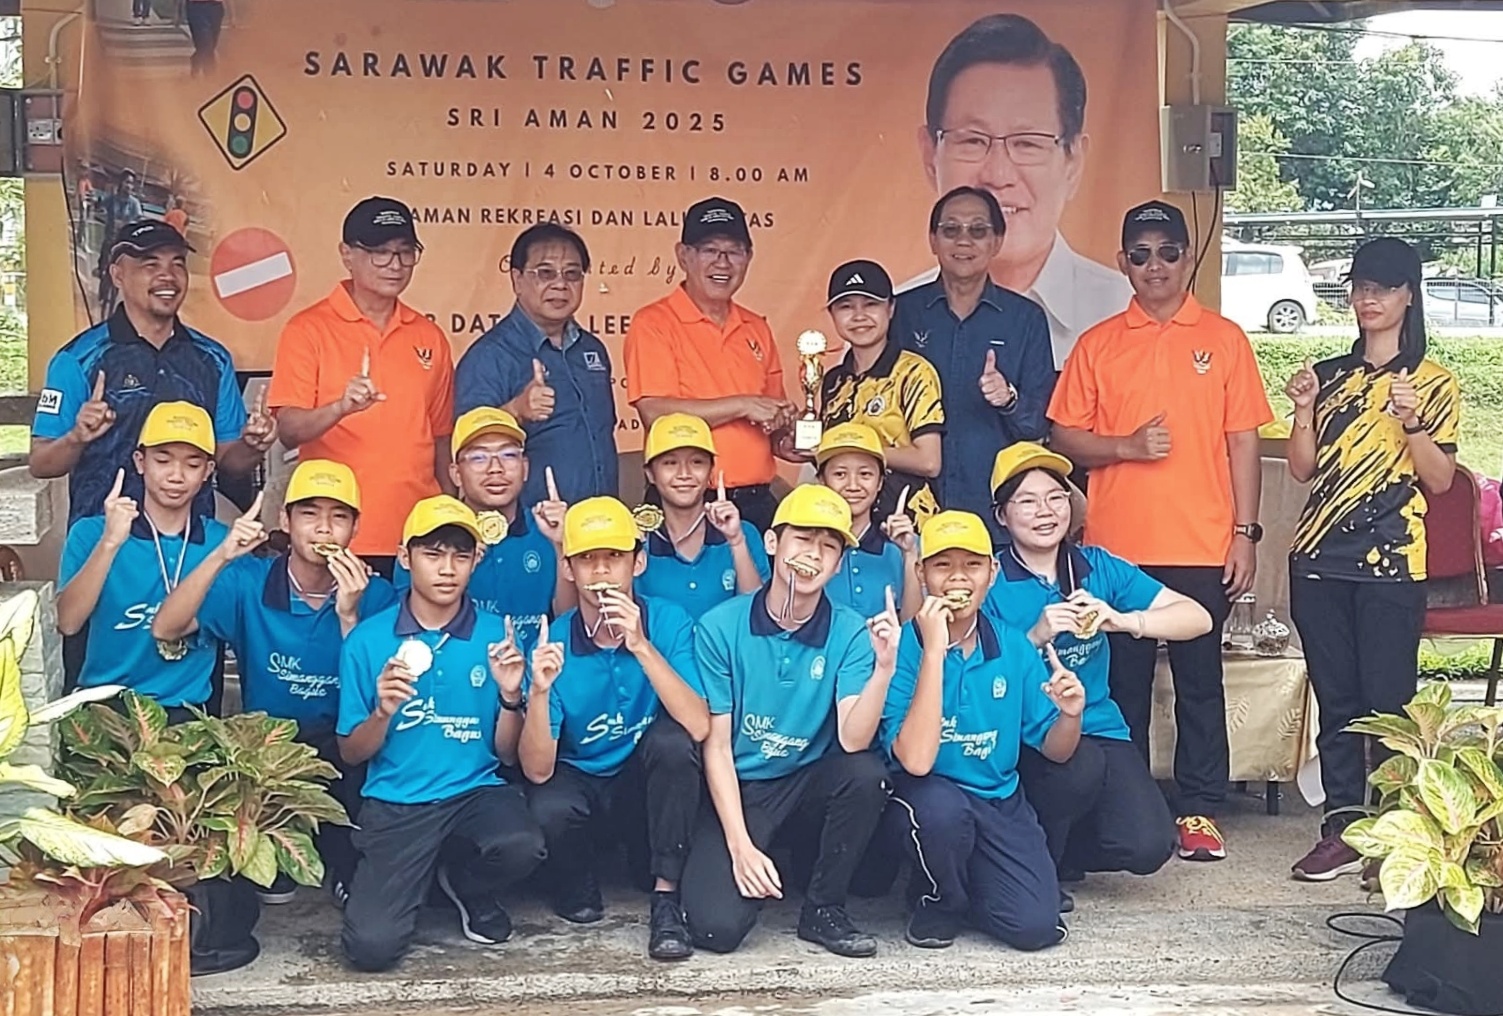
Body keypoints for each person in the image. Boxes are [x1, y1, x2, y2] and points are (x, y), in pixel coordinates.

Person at [1048, 200, 1273, 862]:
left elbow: (1242, 443)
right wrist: (1124, 446)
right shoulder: (1097, 343)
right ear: (1122, 263)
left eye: (1167, 251)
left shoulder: (1225, 338)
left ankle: (1200, 808)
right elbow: (1063, 437)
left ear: (1187, 258)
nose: (1154, 265)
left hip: (1202, 541)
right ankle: (1129, 801)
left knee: (1201, 681)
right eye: (1139, 253)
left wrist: (1245, 533)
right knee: (1121, 685)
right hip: (1114, 550)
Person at [1283, 238, 1460, 882]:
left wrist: (1412, 423)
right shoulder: (1331, 374)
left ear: (1409, 295)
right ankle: (1341, 827)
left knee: (1389, 702)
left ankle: (1394, 829)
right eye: (1360, 286)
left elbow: (1440, 481)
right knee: (1337, 699)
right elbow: (1302, 469)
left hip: (1391, 562)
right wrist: (1303, 411)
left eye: (1382, 287)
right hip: (1319, 557)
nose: (1368, 299)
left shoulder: (1433, 381)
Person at [152, 458, 398, 903]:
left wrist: (348, 616)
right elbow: (166, 628)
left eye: (338, 516)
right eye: (309, 514)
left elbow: (375, 699)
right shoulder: (250, 581)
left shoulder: (377, 594)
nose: (323, 529)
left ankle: (346, 861)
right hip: (267, 747)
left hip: (343, 743)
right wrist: (223, 553)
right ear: (285, 521)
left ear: (355, 529)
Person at [680, 484, 899, 957]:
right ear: (773, 544)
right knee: (716, 929)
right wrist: (739, 846)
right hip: (742, 784)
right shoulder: (721, 626)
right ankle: (751, 856)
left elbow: (853, 739)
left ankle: (823, 908)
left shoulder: (850, 629)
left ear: (839, 563)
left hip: (805, 781)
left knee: (865, 774)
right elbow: (715, 746)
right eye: (802, 539)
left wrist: (883, 668)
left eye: (828, 546)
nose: (813, 555)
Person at [983, 444, 1209, 901]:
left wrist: (1125, 621)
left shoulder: (1096, 566)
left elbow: (1198, 617)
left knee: (1148, 846)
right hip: (1020, 733)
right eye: (1027, 501)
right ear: (1002, 516)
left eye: (1056, 497)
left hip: (1098, 725)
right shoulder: (988, 576)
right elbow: (972, 675)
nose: (1045, 511)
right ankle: (1030, 854)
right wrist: (1035, 636)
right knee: (1075, 770)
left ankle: (1055, 850)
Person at [336, 496, 547, 971]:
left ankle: (463, 883)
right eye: (432, 553)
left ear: (476, 561)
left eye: (460, 555)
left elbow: (508, 757)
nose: (447, 568)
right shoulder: (368, 640)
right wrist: (383, 711)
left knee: (522, 844)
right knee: (371, 948)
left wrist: (513, 696)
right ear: (405, 557)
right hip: (397, 800)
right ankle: (417, 878)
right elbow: (351, 752)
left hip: (474, 792)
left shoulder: (499, 635)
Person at [880, 509, 1084, 951]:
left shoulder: (1012, 643)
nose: (958, 579)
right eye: (942, 565)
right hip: (926, 794)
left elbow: (1057, 751)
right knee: (940, 813)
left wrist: (1070, 714)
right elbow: (915, 762)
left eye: (972, 565)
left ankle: (970, 887)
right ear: (921, 572)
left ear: (991, 572)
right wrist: (934, 653)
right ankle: (938, 899)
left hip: (997, 798)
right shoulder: (901, 646)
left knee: (1035, 928)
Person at [520, 497, 708, 961]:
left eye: (614, 558)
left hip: (640, 789)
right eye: (587, 560)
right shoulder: (554, 639)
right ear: (568, 569)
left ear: (638, 561)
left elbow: (699, 724)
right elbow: (538, 771)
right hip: (582, 780)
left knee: (673, 744)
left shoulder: (667, 619)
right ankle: (577, 878)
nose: (602, 573)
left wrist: (641, 645)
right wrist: (540, 692)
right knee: (549, 804)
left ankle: (666, 896)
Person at [909, 12, 1131, 367]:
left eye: (1027, 143)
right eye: (972, 140)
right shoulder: (891, 314)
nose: (998, 175)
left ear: (1073, 160)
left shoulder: (1124, 306)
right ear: (930, 154)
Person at [32, 220, 273, 526]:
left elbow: (228, 463)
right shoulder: (78, 359)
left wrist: (253, 446)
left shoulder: (213, 359)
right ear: (118, 274)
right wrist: (77, 437)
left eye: (177, 264)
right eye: (150, 264)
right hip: (102, 547)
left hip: (189, 547)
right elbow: (41, 463)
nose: (167, 276)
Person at [268, 197, 454, 577]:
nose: (395, 264)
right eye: (380, 252)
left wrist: (448, 518)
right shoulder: (308, 330)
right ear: (346, 254)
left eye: (405, 252)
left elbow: (440, 441)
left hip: (418, 539)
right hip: (336, 539)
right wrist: (340, 408)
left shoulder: (429, 336)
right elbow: (288, 430)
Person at [625, 197, 795, 531]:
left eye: (733, 251)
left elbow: (770, 420)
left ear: (748, 257)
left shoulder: (756, 327)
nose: (723, 262)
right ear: (683, 255)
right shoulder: (654, 323)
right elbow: (655, 413)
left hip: (756, 503)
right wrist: (744, 405)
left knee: (765, 584)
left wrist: (788, 440)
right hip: (687, 503)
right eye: (709, 250)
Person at [893, 187, 1055, 537]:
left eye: (978, 230)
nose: (963, 241)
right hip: (910, 510)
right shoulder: (900, 313)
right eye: (951, 230)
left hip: (995, 509)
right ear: (933, 240)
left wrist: (1008, 398)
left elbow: (1040, 425)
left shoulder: (1024, 319)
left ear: (997, 241)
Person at [55, 402, 230, 721]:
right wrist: (110, 543)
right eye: (163, 460)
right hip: (107, 707)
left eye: (192, 465)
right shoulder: (91, 532)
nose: (176, 476)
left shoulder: (223, 542)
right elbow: (67, 622)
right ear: (140, 461)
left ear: (208, 472)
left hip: (188, 712)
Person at [454, 223, 617, 507]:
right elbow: (467, 447)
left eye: (572, 274)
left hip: (596, 530)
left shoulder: (592, 350)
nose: (560, 284)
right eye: (545, 273)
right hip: (530, 531)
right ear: (517, 280)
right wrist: (517, 410)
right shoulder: (490, 355)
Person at [395, 407, 570, 657]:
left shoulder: (549, 528)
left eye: (508, 455)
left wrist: (562, 545)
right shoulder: (428, 535)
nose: (495, 468)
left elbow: (569, 620)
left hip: (537, 676)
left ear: (525, 467)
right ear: (455, 473)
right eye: (479, 457)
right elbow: (407, 628)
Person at [819, 260, 945, 525]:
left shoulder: (912, 372)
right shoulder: (833, 381)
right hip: (844, 522)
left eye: (870, 304)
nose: (859, 316)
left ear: (891, 308)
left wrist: (855, 449)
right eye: (846, 307)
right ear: (832, 314)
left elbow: (929, 460)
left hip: (904, 521)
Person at [635, 412, 769, 616]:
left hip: (726, 649)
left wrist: (736, 541)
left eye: (697, 462)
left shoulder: (744, 532)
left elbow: (757, 616)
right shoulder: (636, 538)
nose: (684, 474)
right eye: (670, 463)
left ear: (711, 472)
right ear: (650, 474)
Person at [814, 423, 922, 621]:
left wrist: (909, 554)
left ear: (880, 482)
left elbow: (914, 634)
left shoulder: (905, 544)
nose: (853, 485)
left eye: (865, 474)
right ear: (821, 481)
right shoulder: (808, 546)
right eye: (840, 474)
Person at [187, 0, 226, 76]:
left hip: (216, 7)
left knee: (211, 45)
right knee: (206, 42)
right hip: (196, 6)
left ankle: (197, 60)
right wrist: (177, 12)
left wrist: (232, 15)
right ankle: (209, 75)